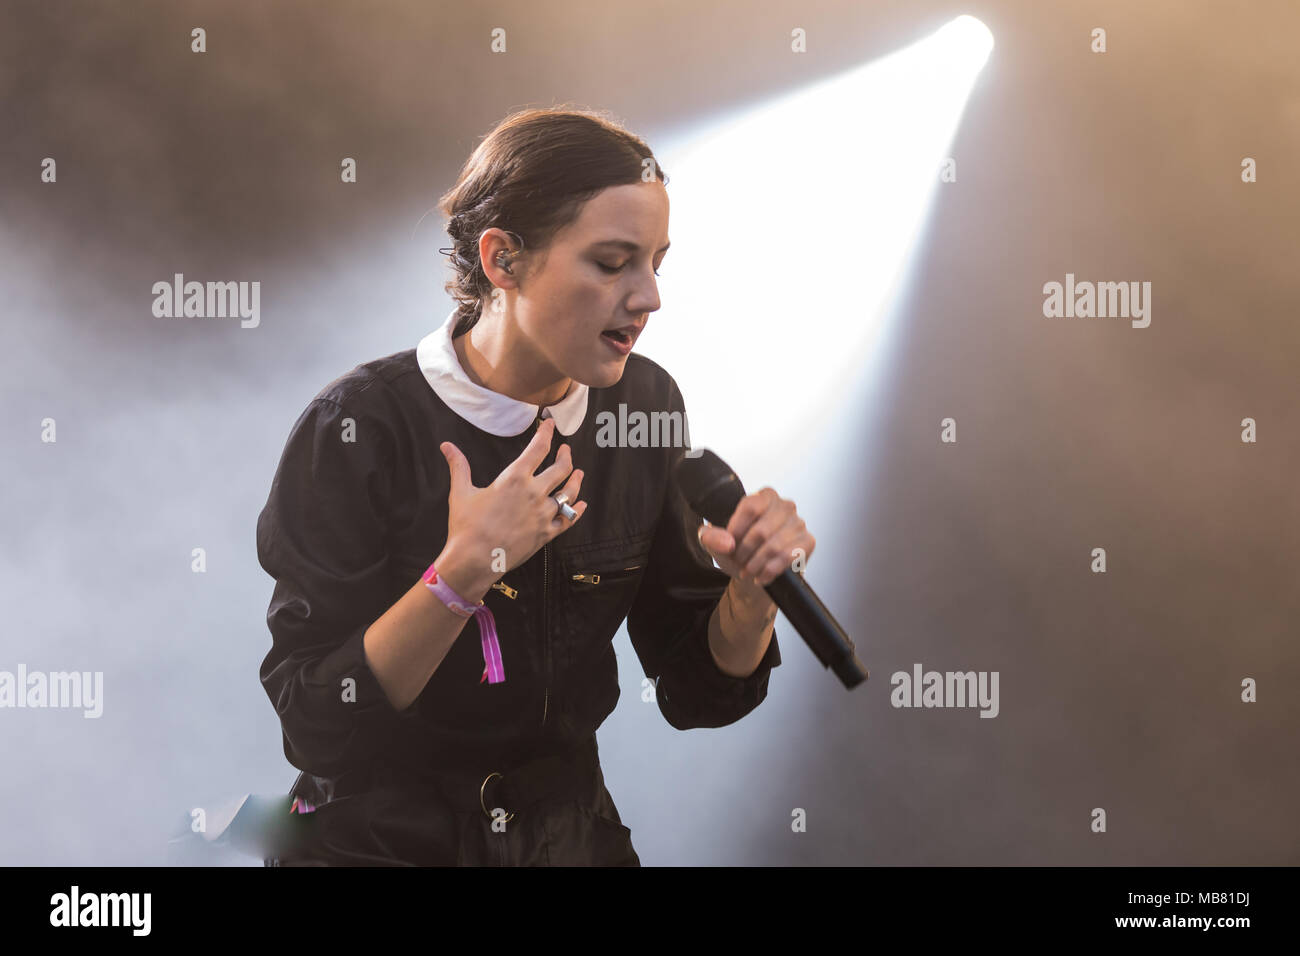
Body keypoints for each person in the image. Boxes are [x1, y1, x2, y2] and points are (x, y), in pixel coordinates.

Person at [255, 105, 815, 866]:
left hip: (568, 837)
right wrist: (464, 571)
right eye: (613, 263)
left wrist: (751, 598)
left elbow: (694, 692)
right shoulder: (358, 426)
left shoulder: (644, 407)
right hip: (380, 845)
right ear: (502, 259)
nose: (649, 297)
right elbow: (319, 723)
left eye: (658, 262)